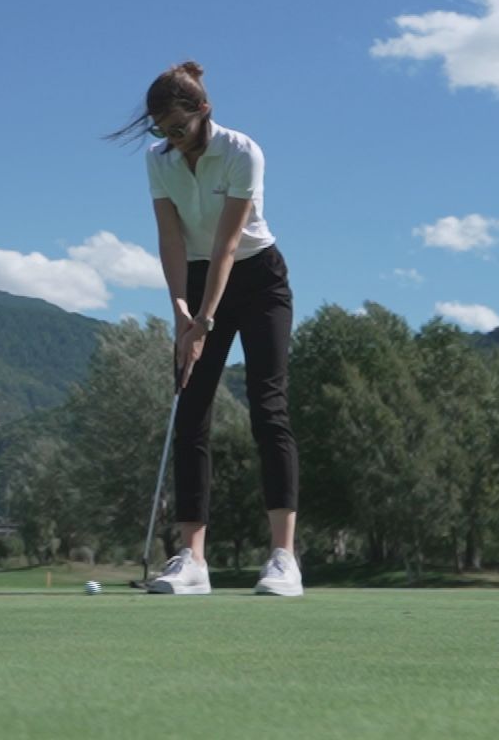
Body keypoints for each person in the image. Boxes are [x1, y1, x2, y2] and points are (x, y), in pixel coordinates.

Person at [112, 61, 303, 596]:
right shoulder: (159, 160)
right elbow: (171, 239)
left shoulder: (243, 151)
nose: (171, 140)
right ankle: (193, 558)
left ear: (203, 112)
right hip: (196, 278)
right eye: (159, 131)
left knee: (268, 407)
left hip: (259, 277)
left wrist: (205, 320)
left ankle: (283, 557)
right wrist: (179, 310)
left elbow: (227, 243)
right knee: (191, 409)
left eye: (178, 128)